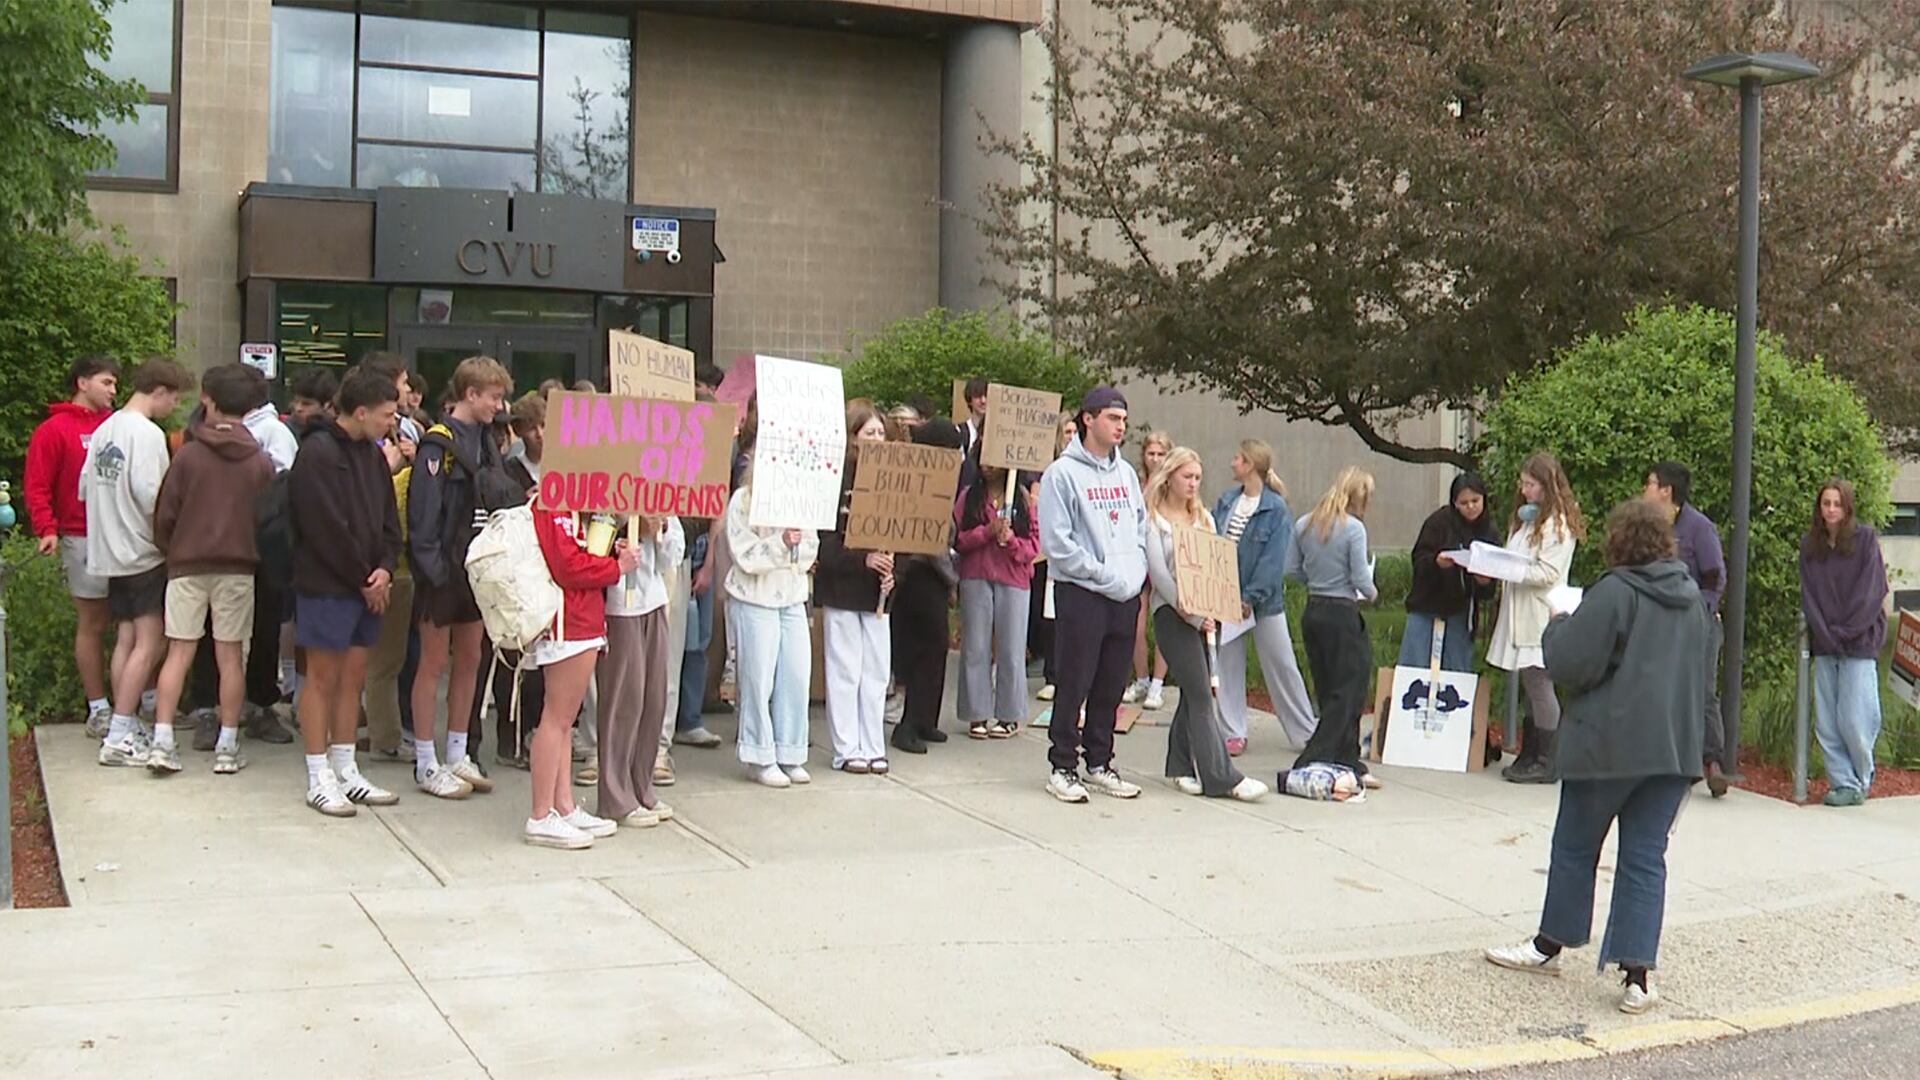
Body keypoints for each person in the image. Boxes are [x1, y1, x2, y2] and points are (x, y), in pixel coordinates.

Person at [1485, 499, 1710, 1016]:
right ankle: (1637, 976)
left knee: (1575, 847)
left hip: (1608, 745)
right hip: (1671, 751)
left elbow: (1570, 663)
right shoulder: (1692, 599)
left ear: (1620, 542)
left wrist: (1559, 621)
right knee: (1645, 859)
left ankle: (1550, 945)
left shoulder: (1615, 592)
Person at [144, 365, 276, 775]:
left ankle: (163, 741)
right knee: (231, 656)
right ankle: (228, 743)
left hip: (187, 562)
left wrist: (175, 549)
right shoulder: (259, 461)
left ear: (210, 400)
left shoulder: (188, 454)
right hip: (238, 566)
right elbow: (267, 519)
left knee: (179, 651)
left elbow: (164, 515)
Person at [289, 367, 404, 815]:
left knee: (353, 676)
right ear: (360, 411)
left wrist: (385, 569)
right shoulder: (316, 453)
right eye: (386, 415)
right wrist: (362, 576)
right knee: (322, 677)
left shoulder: (372, 456)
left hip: (368, 585)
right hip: (327, 585)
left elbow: (388, 519)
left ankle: (345, 765)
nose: (391, 423)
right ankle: (318, 773)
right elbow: (323, 527)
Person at [407, 355, 515, 799]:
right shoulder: (438, 445)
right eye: (493, 396)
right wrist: (432, 573)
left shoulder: (488, 440)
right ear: (470, 394)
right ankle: (425, 761)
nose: (499, 405)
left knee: (471, 659)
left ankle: (457, 751)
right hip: (444, 571)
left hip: (477, 569)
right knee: (432, 663)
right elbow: (424, 516)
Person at [1038, 386, 1147, 804]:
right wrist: (1104, 574)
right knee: (1075, 680)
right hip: (1083, 592)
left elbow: (1139, 527)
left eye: (1123, 419)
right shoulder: (1061, 475)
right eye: (1112, 418)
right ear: (1089, 419)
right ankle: (1062, 765)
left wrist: (1134, 572)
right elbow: (1059, 543)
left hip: (1124, 593)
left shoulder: (1126, 475)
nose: (1120, 426)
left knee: (1111, 683)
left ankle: (1099, 762)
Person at [85, 359, 192, 768]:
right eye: (174, 398)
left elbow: (85, 488)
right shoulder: (146, 435)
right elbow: (154, 497)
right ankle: (118, 733)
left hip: (111, 551)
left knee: (127, 640)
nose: (173, 407)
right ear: (159, 391)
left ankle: (123, 725)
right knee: (150, 644)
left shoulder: (103, 430)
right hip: (144, 552)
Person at [1145, 447, 1267, 801]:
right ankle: (1220, 776)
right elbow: (1160, 575)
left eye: (1198, 477)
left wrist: (1213, 611)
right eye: (1187, 477)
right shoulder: (1154, 520)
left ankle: (1179, 765)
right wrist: (1191, 614)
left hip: (1204, 615)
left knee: (1191, 692)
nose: (1193, 484)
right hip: (1171, 614)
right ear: (1169, 477)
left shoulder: (1204, 518)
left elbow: (1215, 567)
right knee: (1201, 692)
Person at [526, 507, 636, 848]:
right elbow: (567, 567)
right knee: (556, 717)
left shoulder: (570, 506)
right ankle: (541, 813)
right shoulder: (552, 504)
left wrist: (609, 552)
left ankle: (564, 804)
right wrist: (615, 568)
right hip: (567, 621)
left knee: (566, 721)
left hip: (583, 618)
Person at [25, 356, 121, 737]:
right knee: (93, 622)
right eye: (107, 382)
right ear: (82, 383)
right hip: (80, 535)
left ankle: (139, 702)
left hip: (122, 536)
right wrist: (46, 528)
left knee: (134, 622)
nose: (113, 391)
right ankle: (98, 708)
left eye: (115, 384)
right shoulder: (54, 430)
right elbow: (37, 485)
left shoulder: (117, 427)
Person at [1212, 439, 1315, 754]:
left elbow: (1273, 561)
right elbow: (1216, 544)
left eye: (1237, 458)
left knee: (1282, 664)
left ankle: (1305, 731)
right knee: (1228, 665)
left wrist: (1251, 597)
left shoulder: (1275, 508)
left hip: (1264, 602)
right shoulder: (1227, 501)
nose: (1232, 463)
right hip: (1227, 597)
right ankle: (1233, 731)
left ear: (1251, 465)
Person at [1490, 453, 1585, 784]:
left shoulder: (1556, 525)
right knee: (1532, 684)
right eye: (1524, 483)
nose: (1524, 489)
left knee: (1540, 682)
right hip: (1521, 610)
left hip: (1541, 612)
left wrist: (1508, 569)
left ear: (1547, 487)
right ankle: (1531, 752)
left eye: (1530, 484)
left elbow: (1548, 572)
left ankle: (1548, 759)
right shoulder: (1528, 522)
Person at [1286, 467, 1379, 785]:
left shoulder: (1304, 523)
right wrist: (1372, 592)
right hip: (1343, 611)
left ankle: (1347, 758)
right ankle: (1314, 756)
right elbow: (1361, 578)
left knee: (1328, 687)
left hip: (1314, 610)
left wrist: (1317, 580)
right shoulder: (1353, 529)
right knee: (1350, 690)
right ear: (1361, 497)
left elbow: (1292, 570)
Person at [726, 468, 819, 788]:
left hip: (791, 596)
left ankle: (790, 750)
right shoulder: (743, 500)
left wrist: (792, 546)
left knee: (796, 674)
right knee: (758, 677)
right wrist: (779, 544)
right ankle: (758, 754)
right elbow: (744, 555)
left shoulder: (799, 500)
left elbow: (808, 550)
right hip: (754, 597)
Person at [816, 400, 895, 774]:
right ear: (852, 438)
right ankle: (847, 747)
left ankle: (873, 742)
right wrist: (861, 560)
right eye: (869, 433)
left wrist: (897, 570)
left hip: (880, 594)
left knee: (877, 672)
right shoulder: (836, 482)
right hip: (844, 590)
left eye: (881, 432)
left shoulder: (896, 481)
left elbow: (910, 536)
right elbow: (826, 543)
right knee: (846, 670)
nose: (877, 439)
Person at [1643, 462, 1730, 797]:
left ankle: (1714, 763)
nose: (1645, 489)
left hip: (1697, 622)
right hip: (1659, 622)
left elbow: (1714, 576)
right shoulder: (1649, 526)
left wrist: (1702, 612)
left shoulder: (1698, 528)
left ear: (1667, 490)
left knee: (1702, 690)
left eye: (1650, 483)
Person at [1801, 479, 1888, 808]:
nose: (1832, 509)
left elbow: (1872, 591)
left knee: (1855, 716)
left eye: (1837, 503)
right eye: (1826, 503)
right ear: (1819, 508)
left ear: (1847, 507)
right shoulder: (1810, 546)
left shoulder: (1865, 540)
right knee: (1827, 720)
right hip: (1825, 643)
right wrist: (1826, 632)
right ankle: (1842, 782)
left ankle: (1862, 778)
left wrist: (1847, 631)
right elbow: (1809, 595)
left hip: (1859, 642)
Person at [596, 513, 685, 828]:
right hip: (620, 603)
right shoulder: (606, 490)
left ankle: (640, 786)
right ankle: (615, 796)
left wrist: (659, 529)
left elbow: (672, 556)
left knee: (653, 698)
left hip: (653, 597)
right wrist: (621, 528)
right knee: (624, 700)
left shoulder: (656, 493)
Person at [955, 441, 1039, 741]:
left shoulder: (1024, 499)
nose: (987, 466)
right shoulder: (969, 498)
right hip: (976, 575)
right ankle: (977, 712)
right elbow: (959, 541)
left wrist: (1012, 541)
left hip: (1013, 578)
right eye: (982, 459)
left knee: (1012, 649)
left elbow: (1034, 547)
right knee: (976, 646)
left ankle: (1009, 714)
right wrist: (985, 533)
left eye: (993, 459)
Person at [895, 419, 964, 752]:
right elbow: (930, 543)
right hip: (919, 575)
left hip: (934, 578)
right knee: (922, 648)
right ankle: (908, 724)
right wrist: (954, 578)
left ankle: (925, 718)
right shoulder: (919, 483)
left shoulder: (941, 482)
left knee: (936, 649)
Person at [1402, 474, 1500, 673]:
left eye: (1475, 501)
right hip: (1426, 604)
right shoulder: (1439, 522)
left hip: (1461, 609)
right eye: (1464, 503)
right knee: (1414, 667)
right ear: (1454, 503)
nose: (1471, 507)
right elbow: (1419, 559)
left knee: (1456, 669)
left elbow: (1491, 583)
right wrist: (1436, 563)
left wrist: (1484, 582)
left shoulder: (1489, 530)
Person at [1124, 429, 1175, 710]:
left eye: (1161, 454)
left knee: (1164, 623)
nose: (1155, 459)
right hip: (1139, 559)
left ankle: (1158, 684)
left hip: (1165, 558)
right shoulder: (1136, 481)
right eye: (1151, 453)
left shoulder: (1173, 484)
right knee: (1136, 623)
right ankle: (1141, 678)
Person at [1030, 411, 1077, 704]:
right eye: (1067, 432)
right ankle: (1052, 673)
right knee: (1051, 615)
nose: (1072, 437)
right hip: (1049, 552)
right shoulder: (1047, 470)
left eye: (1075, 432)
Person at [958, 376, 988, 461]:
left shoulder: (997, 433)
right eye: (978, 396)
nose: (983, 401)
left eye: (986, 395)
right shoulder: (960, 431)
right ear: (970, 400)